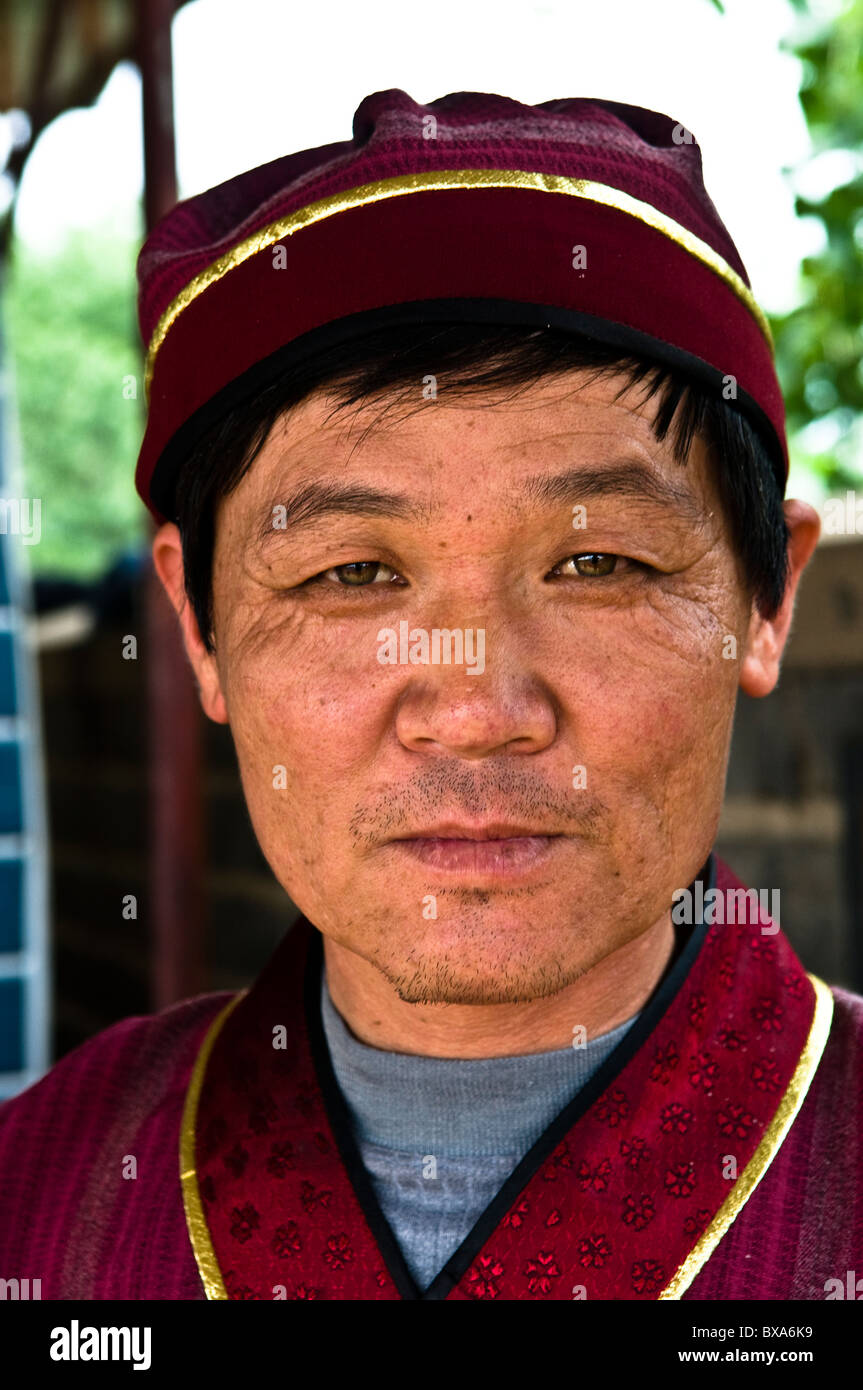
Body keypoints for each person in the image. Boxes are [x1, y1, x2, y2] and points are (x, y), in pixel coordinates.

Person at [1, 88, 860, 1302]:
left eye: (597, 564)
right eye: (352, 573)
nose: (474, 708)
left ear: (764, 600)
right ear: (196, 628)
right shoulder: (38, 1192)